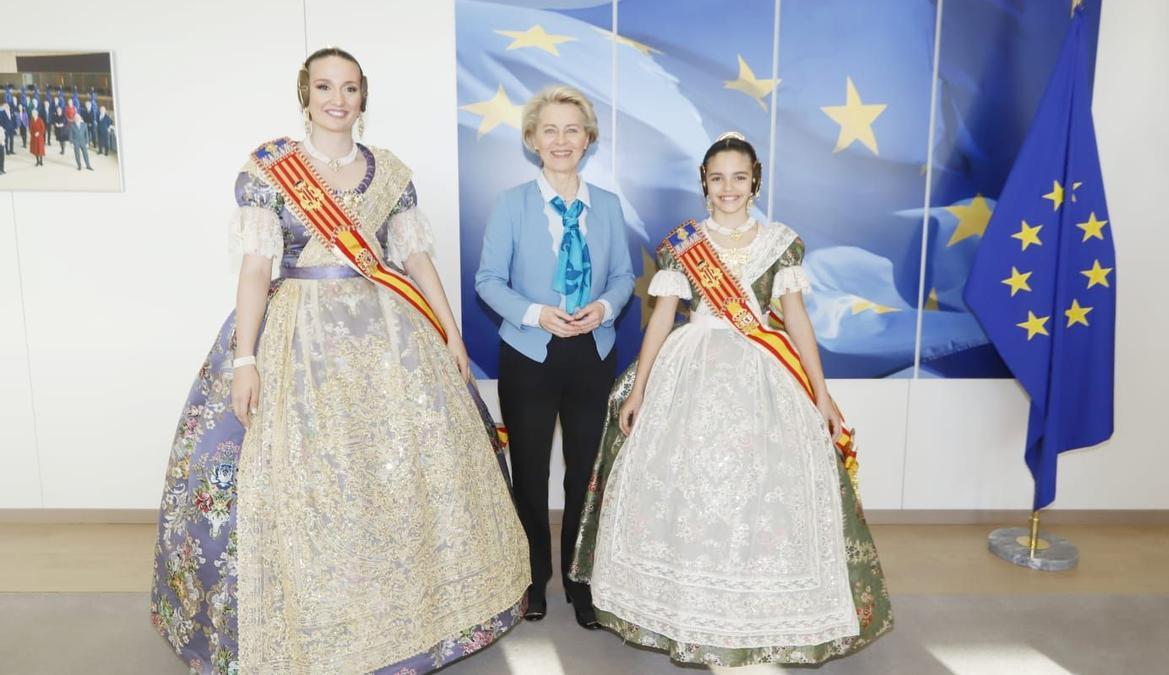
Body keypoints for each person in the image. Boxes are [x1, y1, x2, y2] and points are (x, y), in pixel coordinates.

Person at [151, 47, 529, 675]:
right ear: (306, 95)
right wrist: (245, 360)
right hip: (298, 335)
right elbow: (254, 272)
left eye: (349, 88)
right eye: (325, 86)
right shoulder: (273, 172)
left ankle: (413, 616)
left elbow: (415, 260)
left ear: (363, 97)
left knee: (401, 469)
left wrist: (452, 336)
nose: (338, 98)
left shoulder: (392, 173)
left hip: (389, 335)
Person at [571, 133, 893, 667]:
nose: (728, 187)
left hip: (764, 372)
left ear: (755, 181)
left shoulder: (780, 243)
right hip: (690, 366)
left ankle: (760, 611)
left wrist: (822, 393)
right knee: (689, 488)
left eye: (738, 177)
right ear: (704, 181)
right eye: (717, 177)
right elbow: (661, 320)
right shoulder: (683, 244)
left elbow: (795, 320)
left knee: (766, 488)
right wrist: (643, 385)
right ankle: (686, 609)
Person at [475, 85, 635, 629]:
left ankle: (579, 578)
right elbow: (489, 282)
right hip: (529, 355)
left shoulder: (608, 206)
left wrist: (606, 308)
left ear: (588, 140)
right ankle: (534, 577)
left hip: (593, 353)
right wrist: (536, 314)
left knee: (585, 474)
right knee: (530, 472)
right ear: (531, 140)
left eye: (572, 129)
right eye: (550, 130)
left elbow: (623, 278)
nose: (561, 140)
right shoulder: (511, 204)